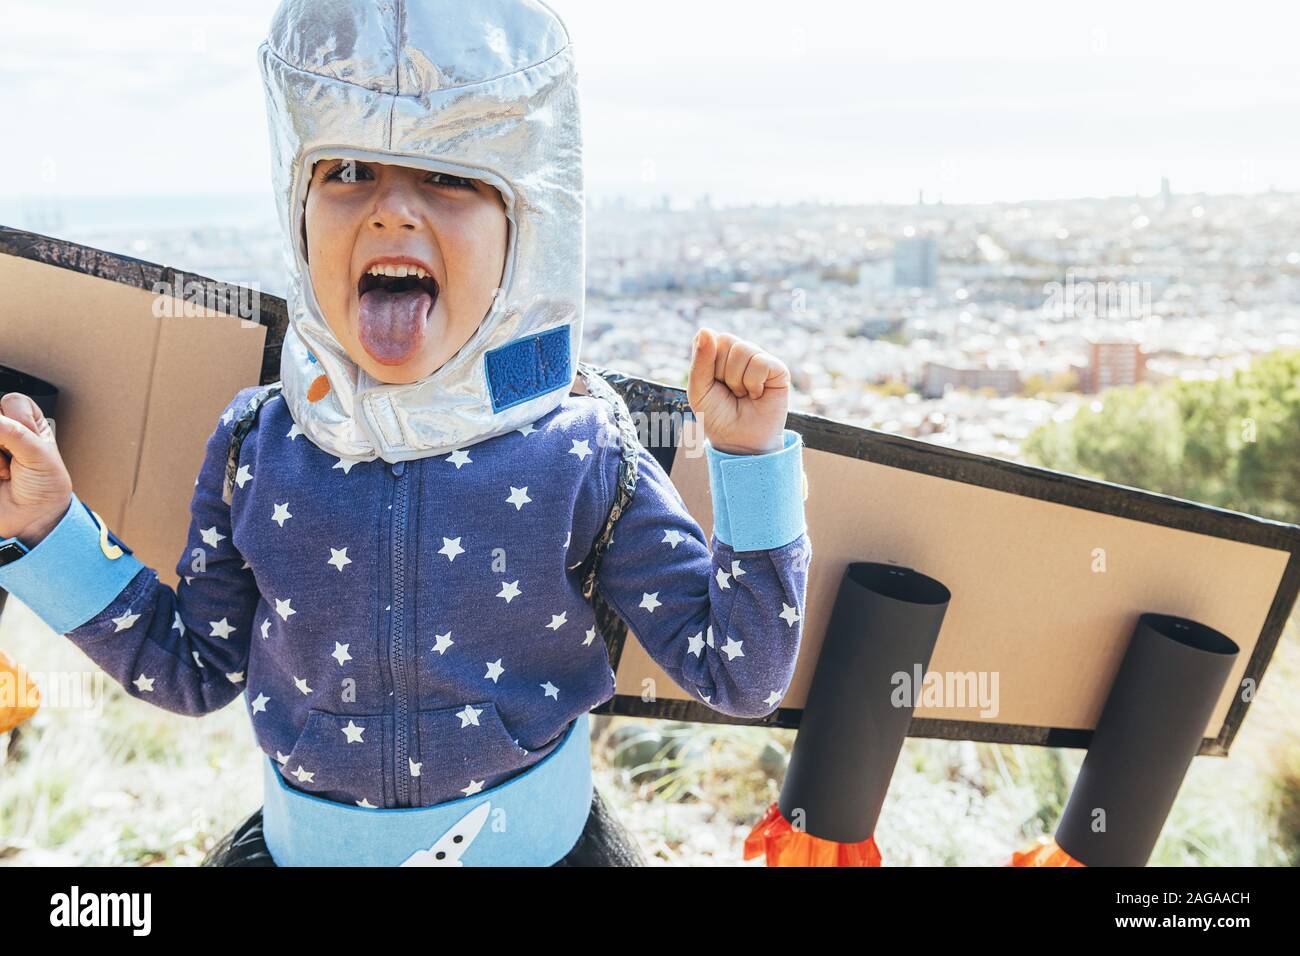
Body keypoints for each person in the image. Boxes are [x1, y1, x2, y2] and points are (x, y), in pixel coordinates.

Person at [0, 0, 811, 866]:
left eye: (450, 178)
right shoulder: (255, 447)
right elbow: (192, 668)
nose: (392, 211)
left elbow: (741, 673)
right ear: (299, 215)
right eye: (347, 169)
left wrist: (749, 462)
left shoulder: (582, 450)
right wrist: (48, 531)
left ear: (525, 234)